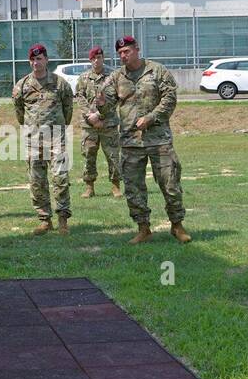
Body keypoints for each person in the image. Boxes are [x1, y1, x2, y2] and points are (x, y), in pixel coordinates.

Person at [90, 35, 190, 243]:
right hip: (130, 142)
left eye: (126, 51)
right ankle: (143, 228)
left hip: (158, 140)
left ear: (137, 49)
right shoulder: (117, 77)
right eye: (119, 53)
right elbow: (107, 105)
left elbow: (170, 99)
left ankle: (177, 226)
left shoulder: (157, 71)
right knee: (134, 188)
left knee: (170, 184)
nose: (123, 56)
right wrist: (100, 104)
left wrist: (151, 118)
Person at [13, 44, 74, 235]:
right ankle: (44, 219)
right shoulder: (22, 85)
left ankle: (63, 219)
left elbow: (68, 109)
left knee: (60, 178)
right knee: (37, 181)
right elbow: (19, 112)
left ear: (46, 60)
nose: (35, 62)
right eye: (32, 59)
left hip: (56, 137)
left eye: (39, 59)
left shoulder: (60, 83)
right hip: (34, 140)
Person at [75, 46, 122, 199]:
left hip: (108, 124)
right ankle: (89, 187)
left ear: (103, 58)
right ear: (90, 60)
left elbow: (116, 99)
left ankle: (115, 186)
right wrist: (90, 116)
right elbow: (80, 99)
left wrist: (100, 116)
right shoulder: (83, 78)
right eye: (94, 58)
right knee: (89, 155)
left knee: (113, 155)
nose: (97, 60)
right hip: (89, 126)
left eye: (99, 57)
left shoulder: (112, 77)